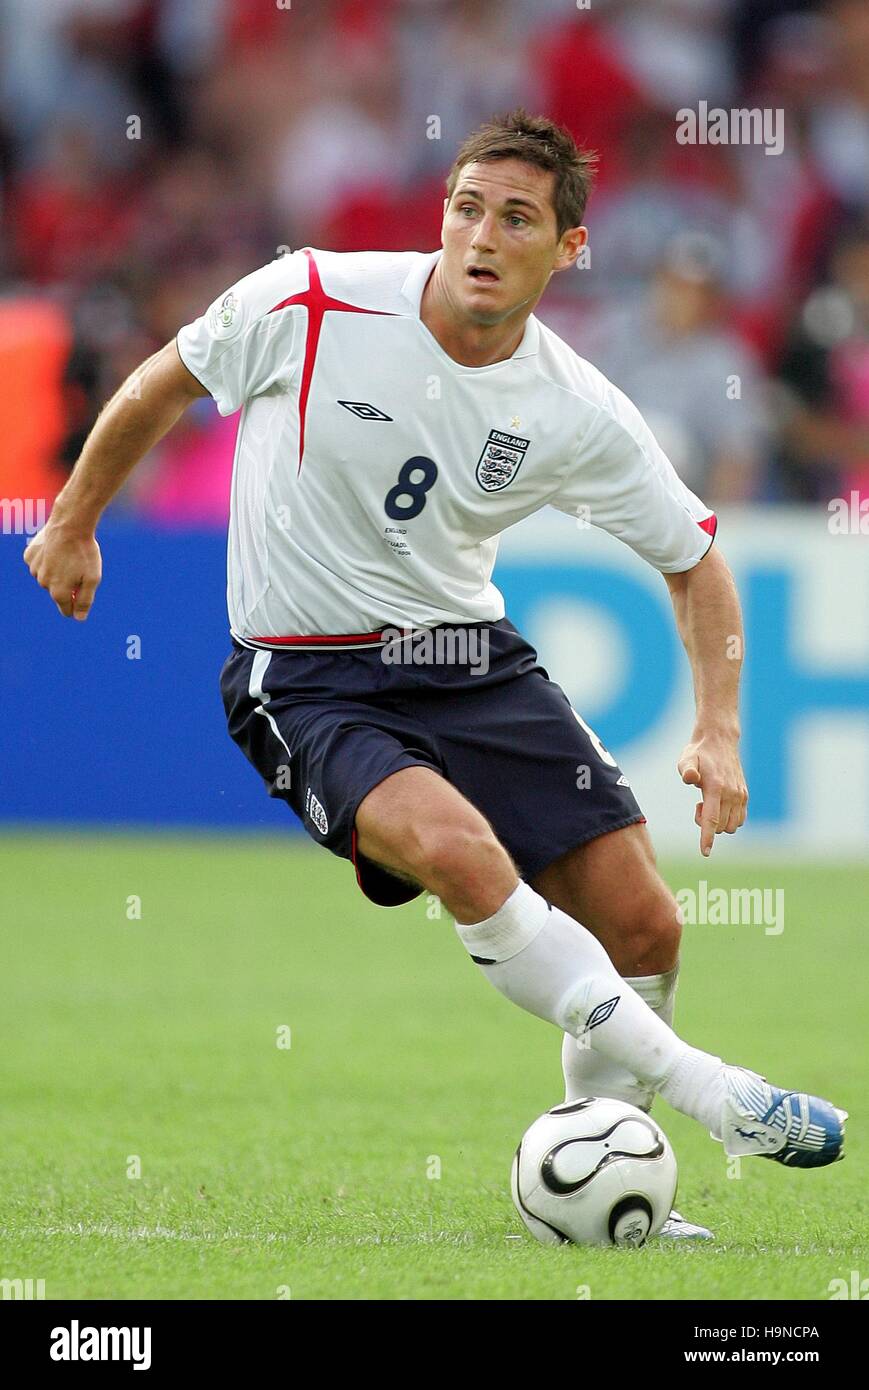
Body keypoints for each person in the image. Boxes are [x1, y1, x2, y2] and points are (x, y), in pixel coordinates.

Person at [24, 109, 846, 1241]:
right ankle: (716, 1095)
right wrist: (73, 521)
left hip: (462, 657)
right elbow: (164, 380)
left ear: (567, 251)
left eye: (516, 219)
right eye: (466, 208)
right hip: (305, 675)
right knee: (463, 855)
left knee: (643, 922)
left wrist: (719, 728)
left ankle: (608, 1174)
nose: (480, 235)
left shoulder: (574, 407)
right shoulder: (309, 297)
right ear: (440, 216)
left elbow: (696, 560)